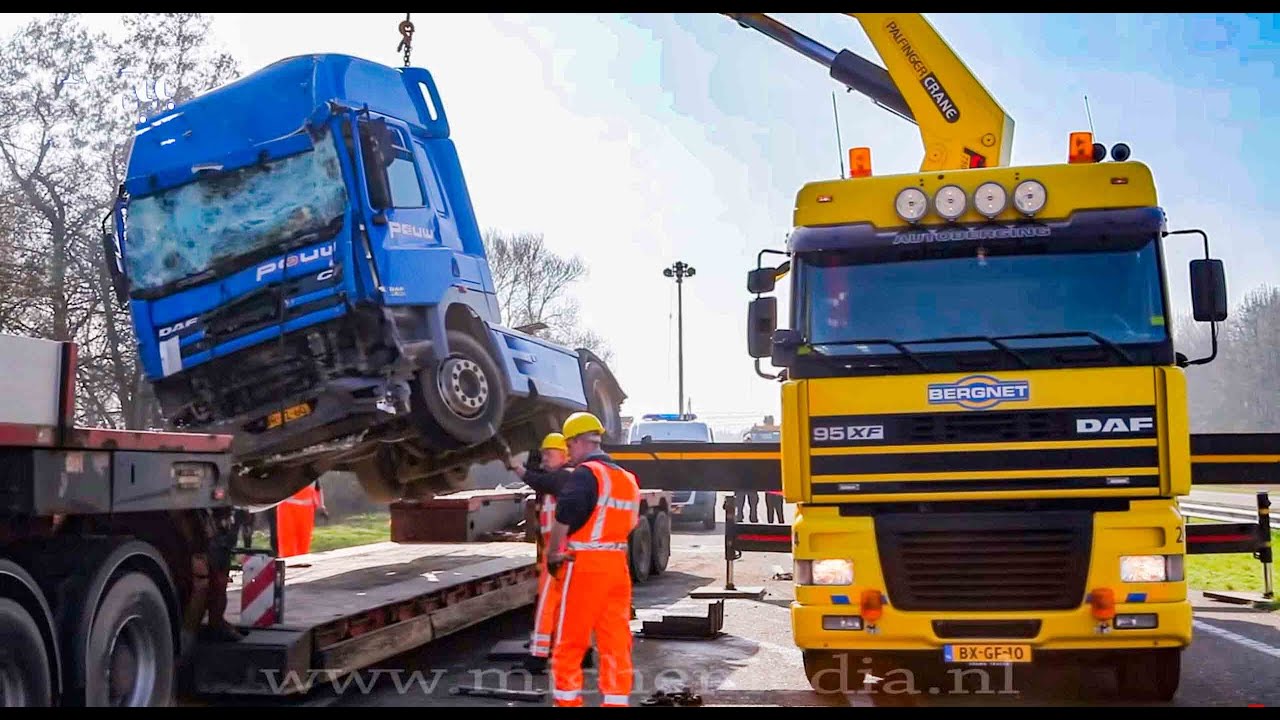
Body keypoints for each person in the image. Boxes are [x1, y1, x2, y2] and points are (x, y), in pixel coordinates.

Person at [546, 412, 641, 707]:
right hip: (617, 567)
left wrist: (552, 553)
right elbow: (631, 522)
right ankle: (615, 702)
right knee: (615, 641)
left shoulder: (586, 474)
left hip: (585, 565)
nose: (569, 453)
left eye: (569, 446)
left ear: (579, 441)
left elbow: (566, 513)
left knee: (569, 642)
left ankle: (567, 702)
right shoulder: (627, 478)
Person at [513, 432, 571, 668]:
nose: (544, 458)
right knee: (559, 606)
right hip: (558, 553)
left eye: (550, 453)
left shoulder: (564, 478)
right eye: (543, 453)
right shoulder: (557, 481)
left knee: (547, 604)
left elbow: (539, 481)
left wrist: (517, 468)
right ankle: (562, 649)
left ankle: (538, 655)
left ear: (564, 454)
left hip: (558, 554)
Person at [275, 480, 328, 558]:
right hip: (287, 507)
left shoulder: (312, 472)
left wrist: (321, 506)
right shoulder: (286, 469)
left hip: (306, 509)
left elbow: (318, 488)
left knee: (304, 537)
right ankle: (288, 561)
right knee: (287, 536)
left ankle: (302, 559)